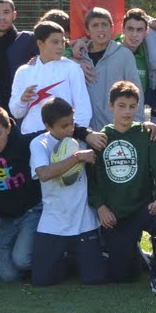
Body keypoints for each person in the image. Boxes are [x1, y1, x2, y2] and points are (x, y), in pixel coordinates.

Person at [88, 81, 156, 292]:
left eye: (132, 106)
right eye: (121, 105)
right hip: (115, 215)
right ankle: (134, 253)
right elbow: (92, 180)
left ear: (138, 107)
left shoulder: (146, 135)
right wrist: (100, 206)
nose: (127, 112)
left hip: (142, 208)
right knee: (122, 276)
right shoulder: (100, 139)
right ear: (111, 106)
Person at [28, 97, 106, 287]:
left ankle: (83, 256)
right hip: (54, 223)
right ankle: (71, 259)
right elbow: (44, 173)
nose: (70, 129)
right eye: (64, 126)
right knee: (42, 280)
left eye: (72, 123)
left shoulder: (80, 139)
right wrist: (77, 157)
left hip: (84, 222)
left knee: (94, 279)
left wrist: (147, 125)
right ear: (47, 126)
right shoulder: (39, 144)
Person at [0, 106, 43, 283]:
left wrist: (85, 133)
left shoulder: (23, 143)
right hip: (4, 218)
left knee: (22, 260)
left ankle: (54, 257)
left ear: (9, 128)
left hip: (30, 212)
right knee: (9, 276)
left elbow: (54, 129)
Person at [9, 21, 93, 135]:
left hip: (62, 138)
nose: (60, 46)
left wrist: (74, 135)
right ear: (40, 43)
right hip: (30, 136)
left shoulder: (72, 68)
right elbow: (16, 113)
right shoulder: (23, 71)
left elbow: (83, 109)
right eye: (55, 42)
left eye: (63, 42)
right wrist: (22, 100)